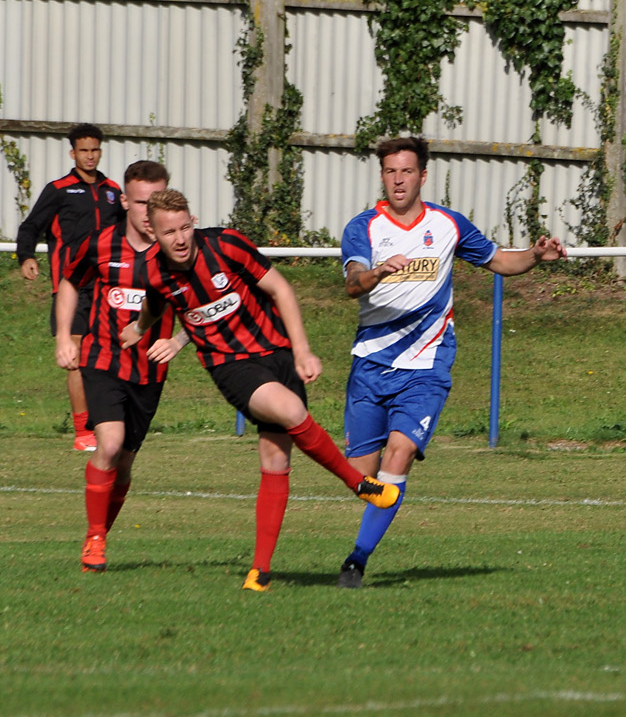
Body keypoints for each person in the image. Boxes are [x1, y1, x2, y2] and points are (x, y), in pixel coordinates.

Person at [123, 189, 400, 591]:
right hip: (229, 365)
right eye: (170, 233)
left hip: (279, 354)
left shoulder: (227, 245)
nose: (181, 239)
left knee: (275, 460)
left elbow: (281, 289)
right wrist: (140, 327)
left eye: (186, 227)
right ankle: (358, 483)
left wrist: (302, 350)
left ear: (193, 220)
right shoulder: (152, 270)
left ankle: (260, 571)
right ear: (153, 232)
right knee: (288, 410)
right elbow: (157, 300)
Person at [334, 135, 566, 589]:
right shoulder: (363, 227)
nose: (398, 180)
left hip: (427, 366)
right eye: (390, 171)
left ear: (423, 175)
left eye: (407, 171)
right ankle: (364, 534)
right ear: (382, 176)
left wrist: (536, 257)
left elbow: (500, 261)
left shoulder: (448, 226)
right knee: (362, 478)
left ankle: (356, 562)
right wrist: (377, 272)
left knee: (399, 454)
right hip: (370, 366)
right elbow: (352, 283)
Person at [55, 160, 190, 572]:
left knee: (126, 462)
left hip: (149, 372)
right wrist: (64, 335)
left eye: (160, 202)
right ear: (126, 201)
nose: (153, 213)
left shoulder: (179, 251)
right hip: (103, 360)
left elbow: (207, 307)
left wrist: (179, 340)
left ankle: (98, 535)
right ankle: (95, 540)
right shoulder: (99, 244)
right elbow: (68, 282)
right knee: (109, 444)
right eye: (144, 203)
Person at [16, 124, 124, 452]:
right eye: (84, 150)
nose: (90, 156)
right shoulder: (59, 189)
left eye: (95, 150)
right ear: (72, 153)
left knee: (109, 354)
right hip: (71, 288)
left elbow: (126, 232)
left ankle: (111, 420)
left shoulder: (112, 190)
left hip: (108, 287)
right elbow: (30, 226)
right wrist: (26, 257)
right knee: (74, 356)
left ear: (100, 151)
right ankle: (83, 431)